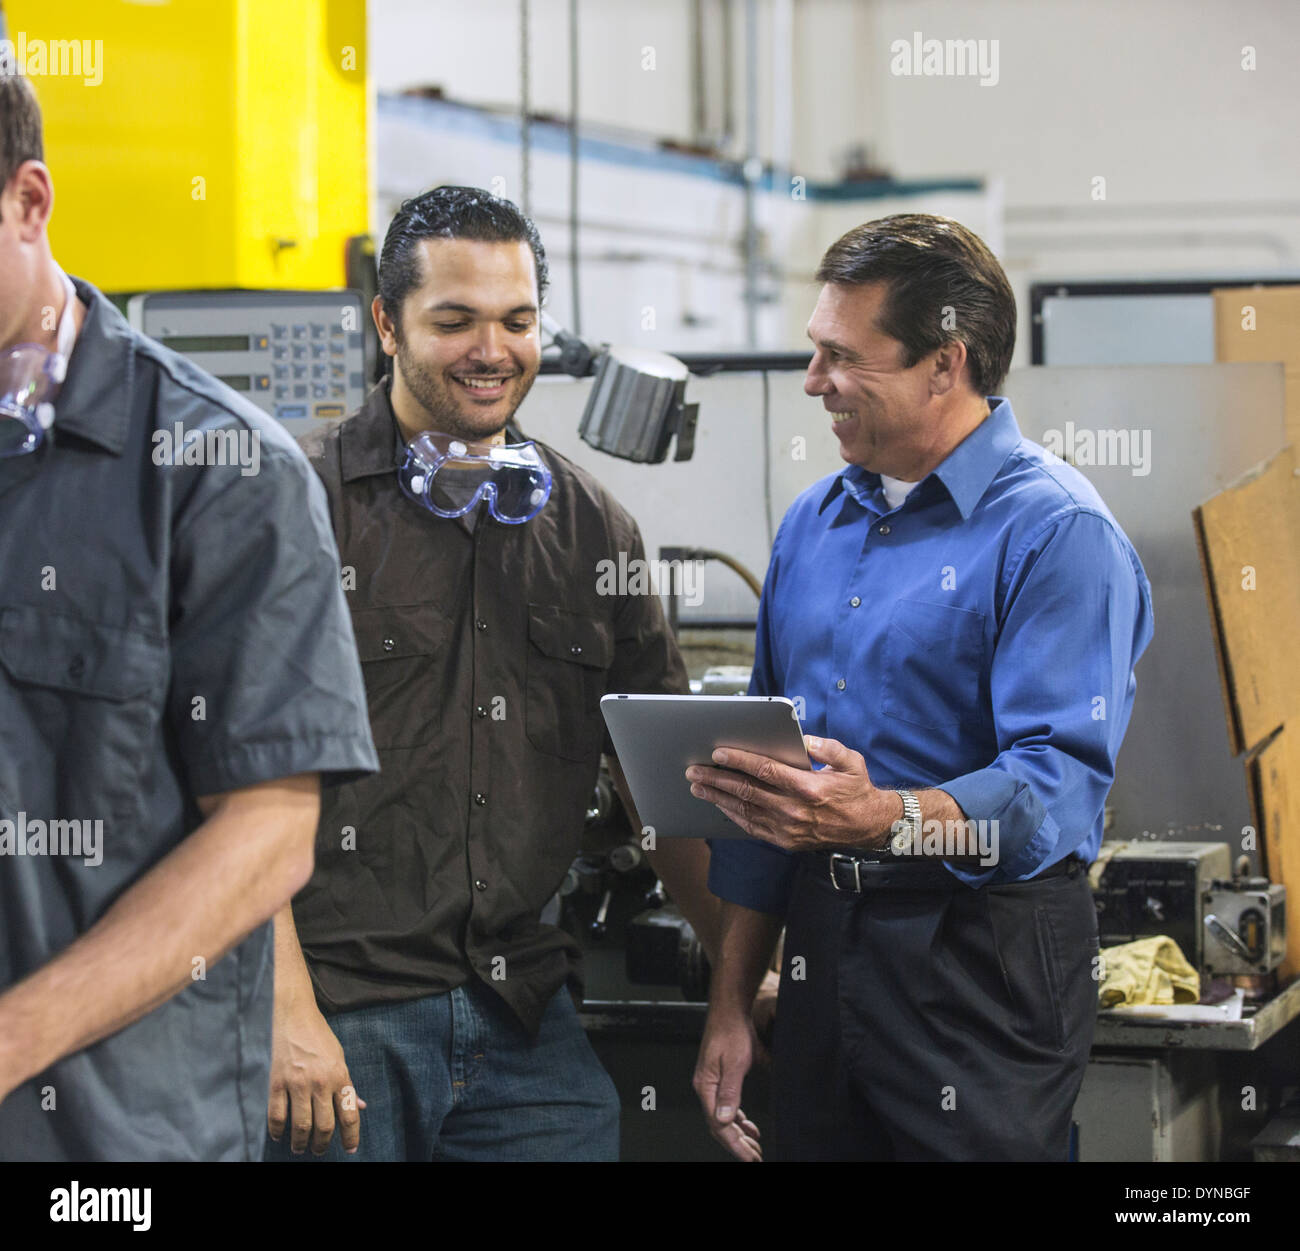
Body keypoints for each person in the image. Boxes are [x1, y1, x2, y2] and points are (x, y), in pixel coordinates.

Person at [689, 214, 1153, 1162]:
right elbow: (764, 791)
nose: (813, 382)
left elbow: (1054, 789)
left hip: (981, 963)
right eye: (813, 351)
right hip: (822, 944)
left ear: (946, 363)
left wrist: (885, 818)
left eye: (841, 357)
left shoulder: (1057, 534)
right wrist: (731, 1003)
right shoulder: (813, 525)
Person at [267, 186, 716, 1162]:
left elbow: (667, 785)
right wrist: (282, 1014)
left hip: (524, 1022)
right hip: (344, 1017)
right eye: (454, 320)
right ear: (387, 323)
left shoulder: (594, 528)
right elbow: (220, 786)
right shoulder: (290, 510)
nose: (491, 349)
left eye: (516, 321)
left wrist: (738, 974)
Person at [0, 74, 378, 1161]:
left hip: (113, 1141)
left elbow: (265, 835)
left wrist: (14, 1038)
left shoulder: (217, 469)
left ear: (31, 202)